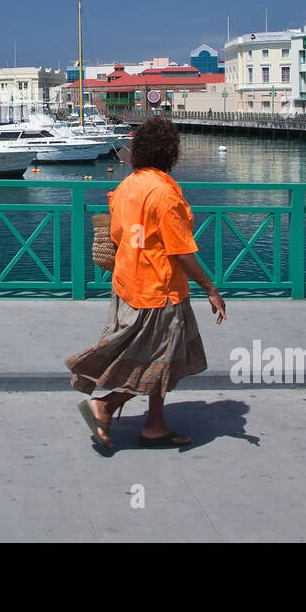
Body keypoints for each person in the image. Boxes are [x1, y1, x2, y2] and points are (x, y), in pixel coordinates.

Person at [66, 117, 226, 450]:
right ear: (171, 152)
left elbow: (115, 235)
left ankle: (154, 425)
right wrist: (211, 289)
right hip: (159, 291)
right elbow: (181, 251)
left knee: (161, 361)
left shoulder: (127, 186)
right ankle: (105, 405)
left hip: (127, 284)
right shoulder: (165, 193)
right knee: (155, 360)